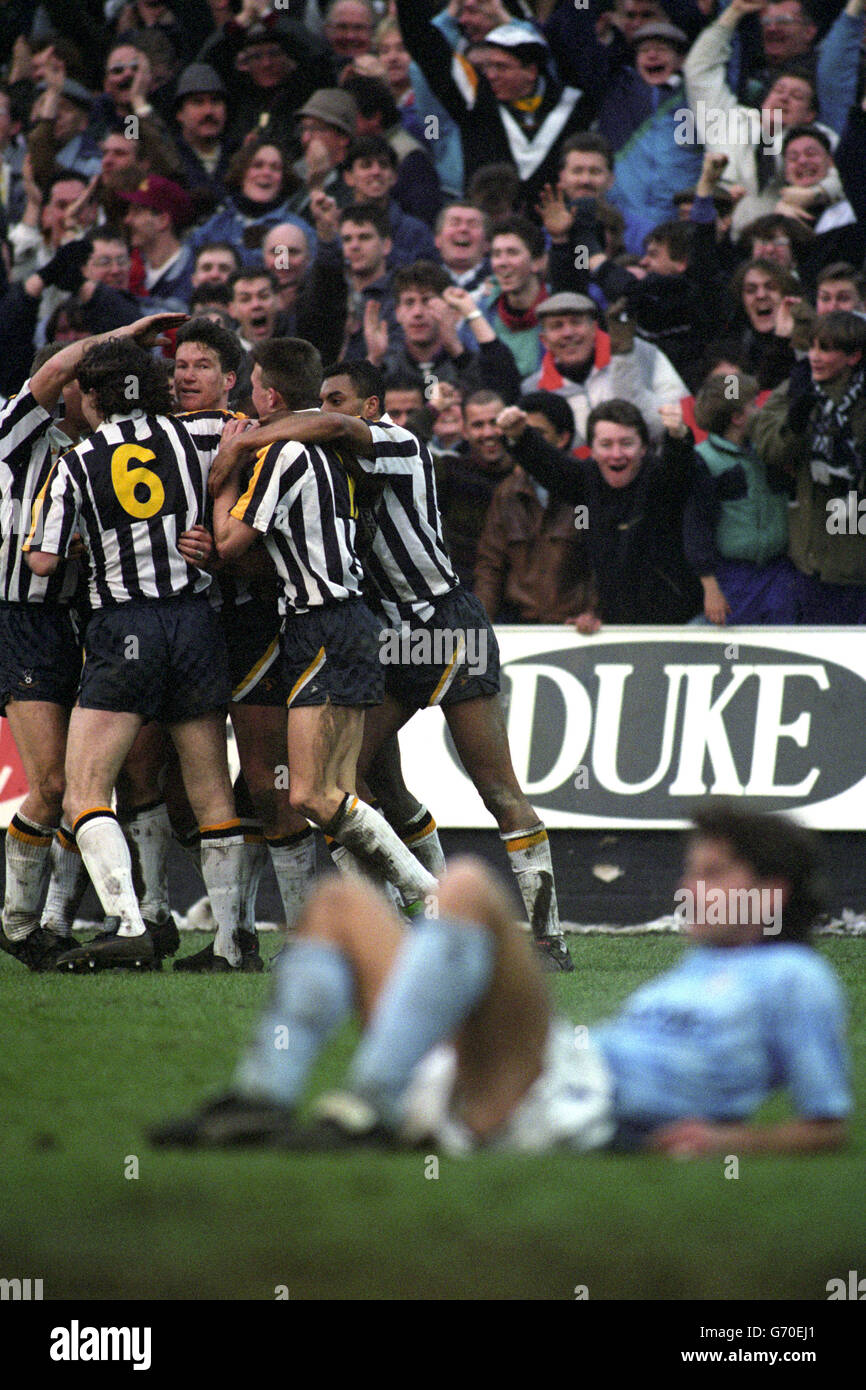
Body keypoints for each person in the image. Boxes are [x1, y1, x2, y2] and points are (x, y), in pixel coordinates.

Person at [149, 805, 851, 1156]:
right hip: (527, 1080)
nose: (691, 888)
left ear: (774, 890)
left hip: (570, 1098)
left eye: (714, 873)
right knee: (337, 905)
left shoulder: (797, 977)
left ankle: (368, 1105)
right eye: (692, 871)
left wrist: (726, 1144)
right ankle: (261, 1099)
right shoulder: (704, 966)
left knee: (467, 887)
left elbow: (827, 1125)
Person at [211, 356, 574, 971]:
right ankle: (430, 923)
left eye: (337, 399)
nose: (324, 411)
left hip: (447, 625)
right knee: (360, 785)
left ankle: (548, 937)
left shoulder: (398, 443)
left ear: (370, 408)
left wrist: (244, 441)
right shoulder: (320, 469)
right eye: (319, 399)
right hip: (385, 637)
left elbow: (331, 429)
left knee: (496, 789)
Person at [22, 334, 249, 972]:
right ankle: (233, 944)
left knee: (85, 791)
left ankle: (129, 922)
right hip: (197, 622)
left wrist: (86, 544)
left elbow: (40, 558)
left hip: (126, 626)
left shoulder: (77, 460)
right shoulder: (195, 435)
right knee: (211, 797)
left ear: (92, 397)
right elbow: (246, 441)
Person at [210, 337, 438, 910]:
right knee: (339, 792)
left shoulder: (285, 454)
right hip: (348, 621)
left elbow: (231, 542)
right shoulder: (328, 446)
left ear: (270, 394)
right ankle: (386, 920)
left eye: (252, 385)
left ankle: (427, 894)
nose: (247, 396)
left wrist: (224, 473)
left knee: (311, 794)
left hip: (324, 624)